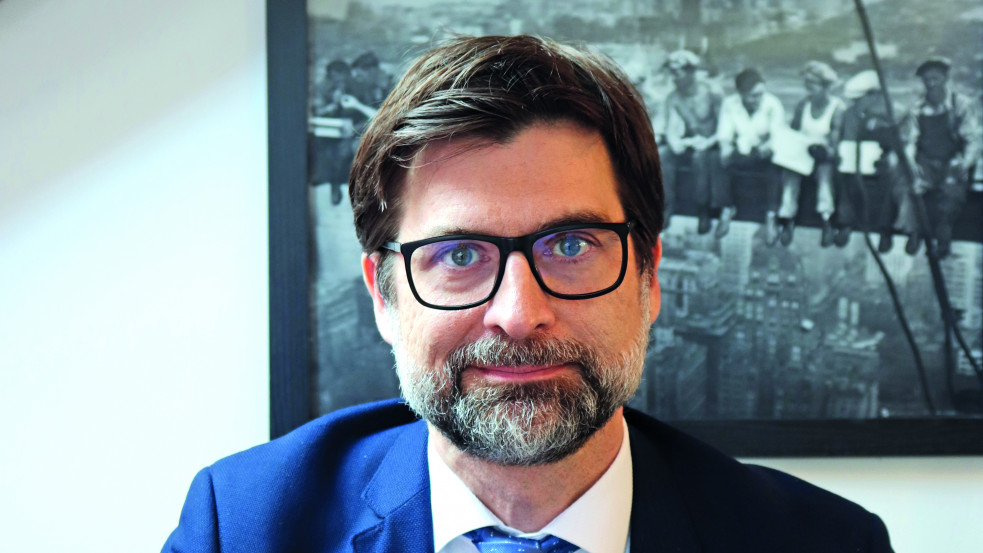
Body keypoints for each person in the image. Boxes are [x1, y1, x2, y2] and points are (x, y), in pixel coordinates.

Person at [162, 36, 893, 553]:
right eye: (458, 254)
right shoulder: (245, 529)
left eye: (570, 245)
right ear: (384, 297)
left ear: (648, 278)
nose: (517, 314)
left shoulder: (824, 542)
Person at [897, 57, 981, 257]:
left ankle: (943, 241)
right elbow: (910, 142)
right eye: (927, 79)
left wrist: (965, 163)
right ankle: (914, 233)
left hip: (953, 162)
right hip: (926, 163)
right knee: (909, 189)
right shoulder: (917, 108)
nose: (931, 84)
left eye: (935, 78)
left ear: (945, 79)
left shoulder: (960, 104)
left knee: (950, 196)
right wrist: (912, 165)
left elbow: (972, 140)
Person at [832, 70, 907, 251]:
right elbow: (844, 139)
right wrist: (840, 152)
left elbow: (902, 142)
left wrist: (887, 151)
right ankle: (845, 223)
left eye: (860, 99)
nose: (856, 104)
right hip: (856, 162)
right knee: (846, 180)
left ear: (874, 95)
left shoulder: (895, 112)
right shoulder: (849, 114)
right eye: (854, 100)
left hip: (884, 162)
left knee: (889, 183)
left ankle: (885, 230)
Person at [659, 50, 729, 237]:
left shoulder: (713, 92)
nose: (673, 78)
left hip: (714, 143)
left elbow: (725, 126)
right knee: (662, 155)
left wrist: (708, 142)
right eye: (671, 73)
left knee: (700, 158)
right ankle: (667, 206)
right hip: (691, 142)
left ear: (691, 72)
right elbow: (671, 129)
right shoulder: (673, 98)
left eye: (677, 73)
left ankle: (702, 209)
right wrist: (677, 143)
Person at [777, 61, 845, 247]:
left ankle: (826, 219)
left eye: (813, 86)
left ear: (825, 87)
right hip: (803, 154)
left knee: (824, 177)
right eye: (807, 86)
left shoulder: (837, 108)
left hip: (824, 156)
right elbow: (794, 132)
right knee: (790, 175)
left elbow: (835, 142)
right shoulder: (803, 105)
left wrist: (824, 151)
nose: (809, 90)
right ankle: (787, 219)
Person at [716, 68, 786, 245]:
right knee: (720, 162)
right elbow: (724, 134)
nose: (758, 99)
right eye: (753, 96)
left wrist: (767, 146)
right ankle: (726, 210)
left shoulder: (773, 104)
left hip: (764, 154)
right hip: (741, 151)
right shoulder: (730, 104)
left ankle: (771, 217)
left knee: (775, 169)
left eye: (760, 94)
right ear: (741, 93)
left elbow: (778, 134)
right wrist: (726, 149)